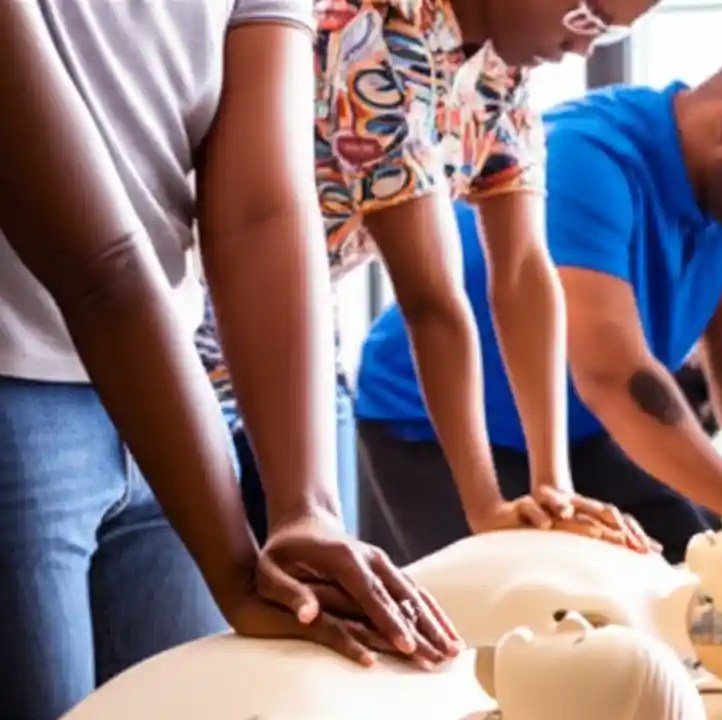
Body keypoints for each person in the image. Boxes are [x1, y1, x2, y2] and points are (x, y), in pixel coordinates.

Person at [0, 2, 467, 718]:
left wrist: (308, 511)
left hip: (165, 382)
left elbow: (262, 210)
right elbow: (98, 263)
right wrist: (232, 565)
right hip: (18, 383)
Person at [355, 34, 722, 566]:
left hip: (579, 433)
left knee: (697, 577)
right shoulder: (589, 157)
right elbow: (611, 373)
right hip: (431, 424)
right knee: (518, 607)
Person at [199, 0, 660, 551]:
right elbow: (430, 297)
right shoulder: (366, 28)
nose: (584, 46)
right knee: (222, 608)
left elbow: (523, 273)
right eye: (588, 16)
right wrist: (485, 504)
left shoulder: (501, 72)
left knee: (318, 587)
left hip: (301, 346)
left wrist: (552, 483)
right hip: (195, 343)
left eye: (606, 35)